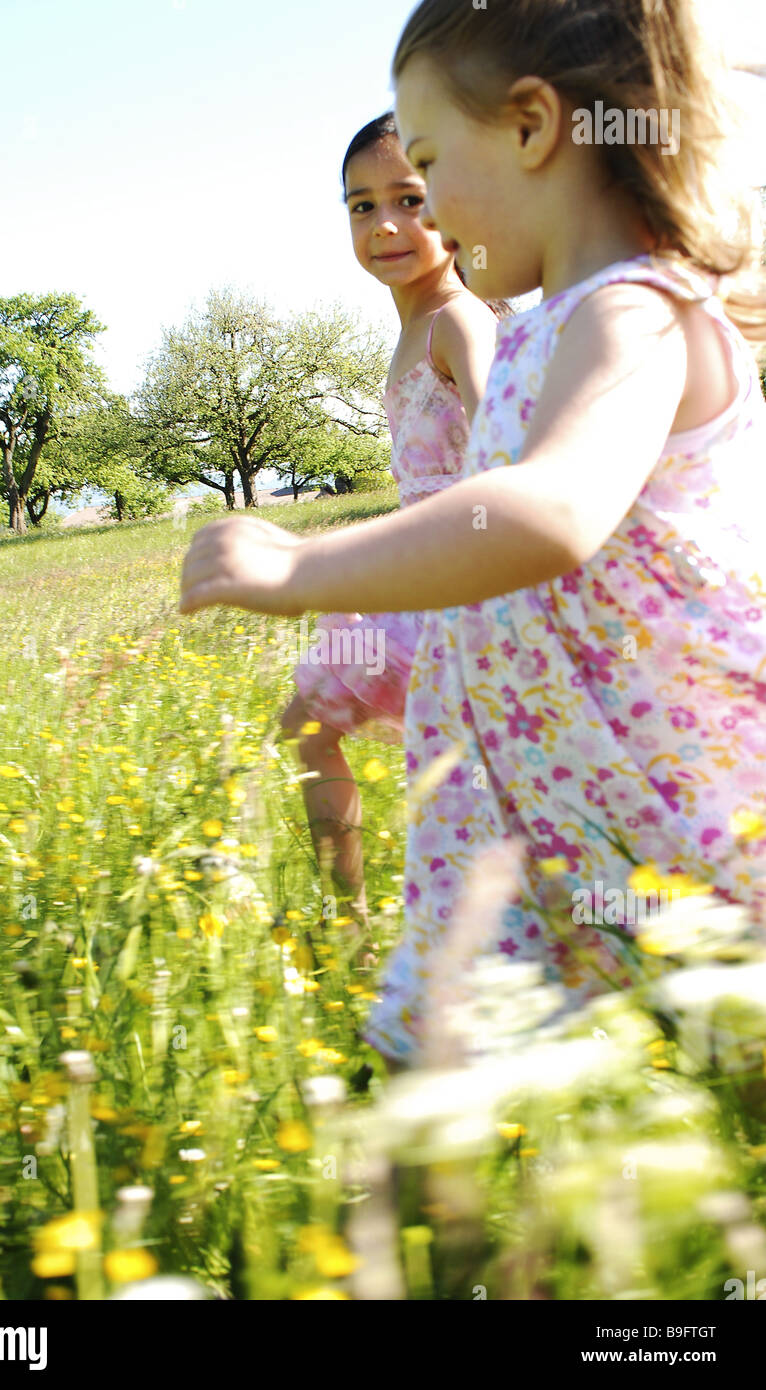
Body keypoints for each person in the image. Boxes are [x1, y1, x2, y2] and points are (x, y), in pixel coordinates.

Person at [180, 0, 766, 1067]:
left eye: (434, 165)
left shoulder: (634, 313)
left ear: (535, 129)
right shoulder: (551, 317)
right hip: (505, 767)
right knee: (432, 1053)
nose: (428, 211)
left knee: (717, 1043)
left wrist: (304, 566)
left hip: (653, 782)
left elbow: (549, 506)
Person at [279, 112, 499, 947]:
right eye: (361, 207)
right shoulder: (411, 326)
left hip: (459, 588)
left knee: (465, 781)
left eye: (411, 199)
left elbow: (505, 448)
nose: (386, 226)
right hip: (414, 584)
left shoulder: (458, 321)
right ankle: (351, 920)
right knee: (306, 723)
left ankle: (449, 939)